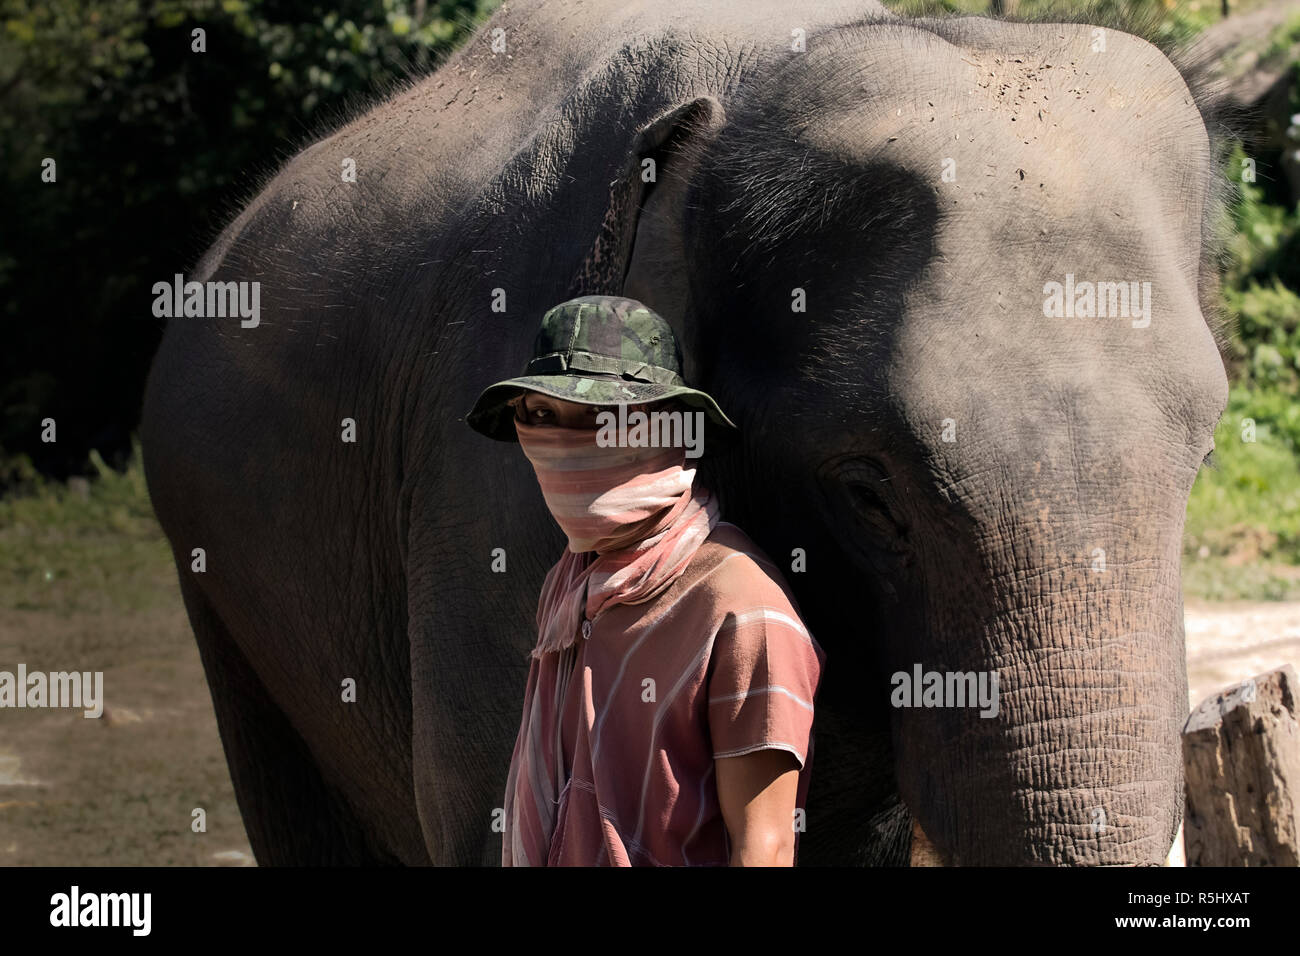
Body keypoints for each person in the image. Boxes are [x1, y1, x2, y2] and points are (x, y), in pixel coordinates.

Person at [466, 295, 825, 866]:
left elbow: (766, 846)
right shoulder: (570, 585)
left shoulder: (743, 609)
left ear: (666, 427)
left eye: (602, 419)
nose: (566, 444)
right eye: (541, 416)